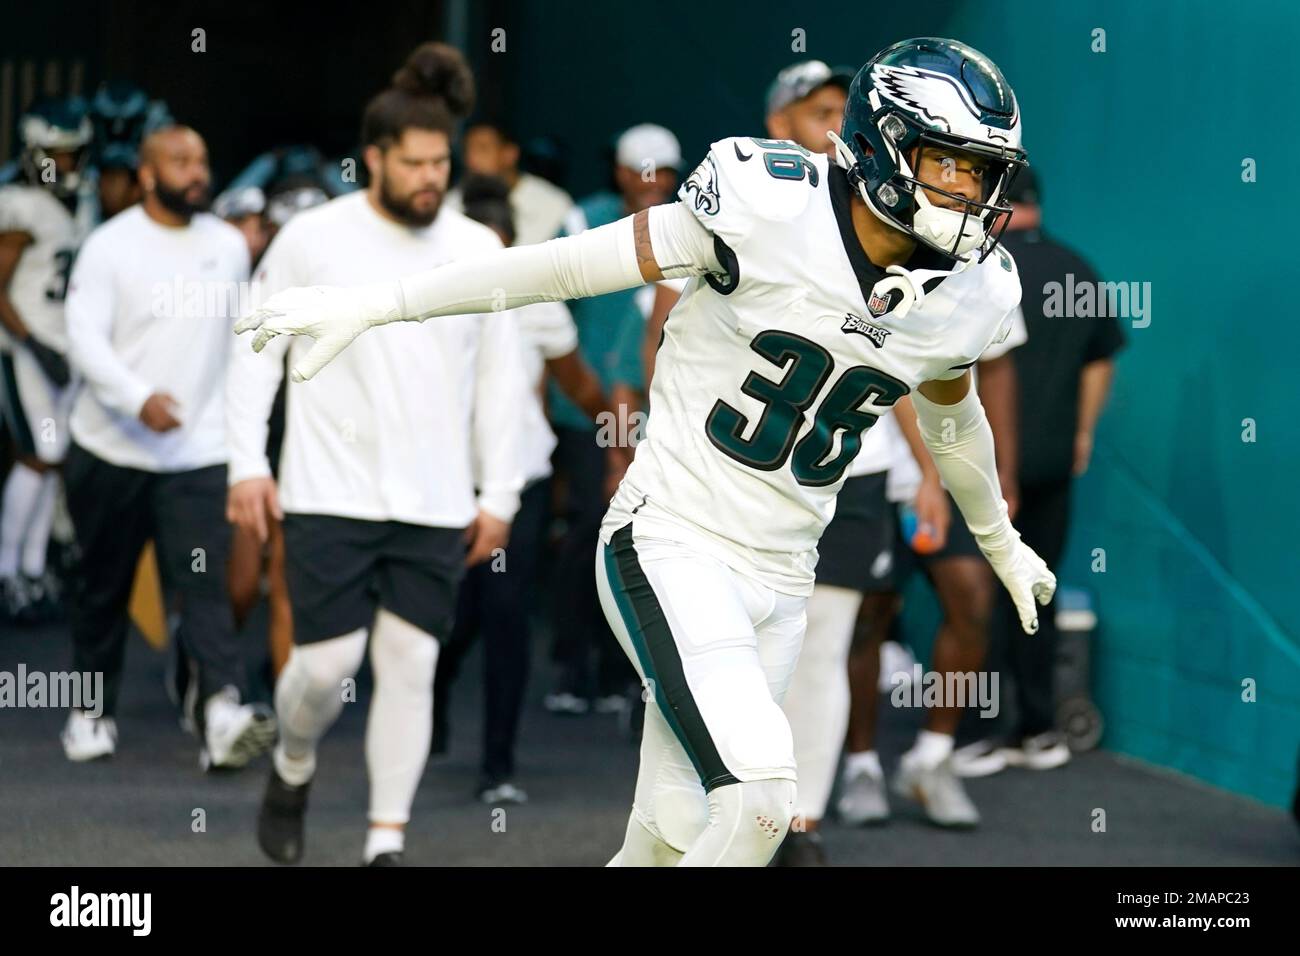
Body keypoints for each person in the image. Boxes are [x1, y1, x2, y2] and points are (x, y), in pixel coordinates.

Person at [237, 37, 1056, 868]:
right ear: (882, 144)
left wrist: (999, 540)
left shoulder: (971, 292)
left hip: (784, 577)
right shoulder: (767, 206)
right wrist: (382, 304)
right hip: (673, 541)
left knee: (667, 840)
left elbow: (954, 417)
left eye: (981, 171)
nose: (966, 190)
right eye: (944, 161)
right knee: (762, 802)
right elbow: (561, 268)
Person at [227, 43, 528, 867]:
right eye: (417, 163)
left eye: (442, 162)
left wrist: (499, 493)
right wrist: (246, 464)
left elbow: (503, 379)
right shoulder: (311, 239)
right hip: (328, 490)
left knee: (410, 661)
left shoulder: (479, 250)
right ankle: (292, 765)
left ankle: (384, 842)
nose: (433, 177)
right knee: (325, 670)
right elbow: (257, 346)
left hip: (435, 500)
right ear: (375, 160)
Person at [62, 125, 274, 769]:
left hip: (196, 454)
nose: (196, 172)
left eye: (202, 160)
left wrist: (243, 450)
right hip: (109, 451)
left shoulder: (227, 248)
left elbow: (243, 346)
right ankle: (91, 713)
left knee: (205, 588)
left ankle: (221, 714)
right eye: (180, 162)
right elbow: (83, 336)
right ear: (148, 176)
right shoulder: (108, 246)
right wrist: (137, 398)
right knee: (103, 589)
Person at [434, 172, 619, 803]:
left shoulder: (536, 300)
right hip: (445, 483)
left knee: (508, 614)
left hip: (523, 481)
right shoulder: (434, 297)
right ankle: (432, 695)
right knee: (452, 617)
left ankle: (497, 768)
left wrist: (623, 439)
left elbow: (583, 386)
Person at [952, 166, 1124, 777]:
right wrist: (1081, 431)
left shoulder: (976, 268)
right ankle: (1037, 728)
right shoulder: (1078, 267)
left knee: (974, 600)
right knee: (1034, 590)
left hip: (978, 466)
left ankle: (976, 733)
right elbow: (1100, 359)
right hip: (1050, 465)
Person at [543, 122, 682, 717]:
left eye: (664, 172)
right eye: (641, 171)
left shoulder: (690, 228)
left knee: (642, 545)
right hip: (583, 408)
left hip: (652, 418)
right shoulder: (581, 222)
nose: (653, 183)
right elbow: (546, 308)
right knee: (587, 534)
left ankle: (623, 671)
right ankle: (573, 666)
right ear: (620, 172)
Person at [0, 97, 96, 622]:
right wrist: (35, 346)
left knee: (53, 459)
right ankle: (8, 572)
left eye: (74, 154)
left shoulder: (76, 203)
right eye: (58, 155)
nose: (69, 165)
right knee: (36, 456)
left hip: (62, 347)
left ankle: (34, 568)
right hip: (23, 348)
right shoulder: (18, 205)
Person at [447, 120, 573, 245]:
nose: (471, 160)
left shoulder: (554, 205)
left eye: (482, 149)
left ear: (510, 154)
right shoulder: (450, 205)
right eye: (467, 151)